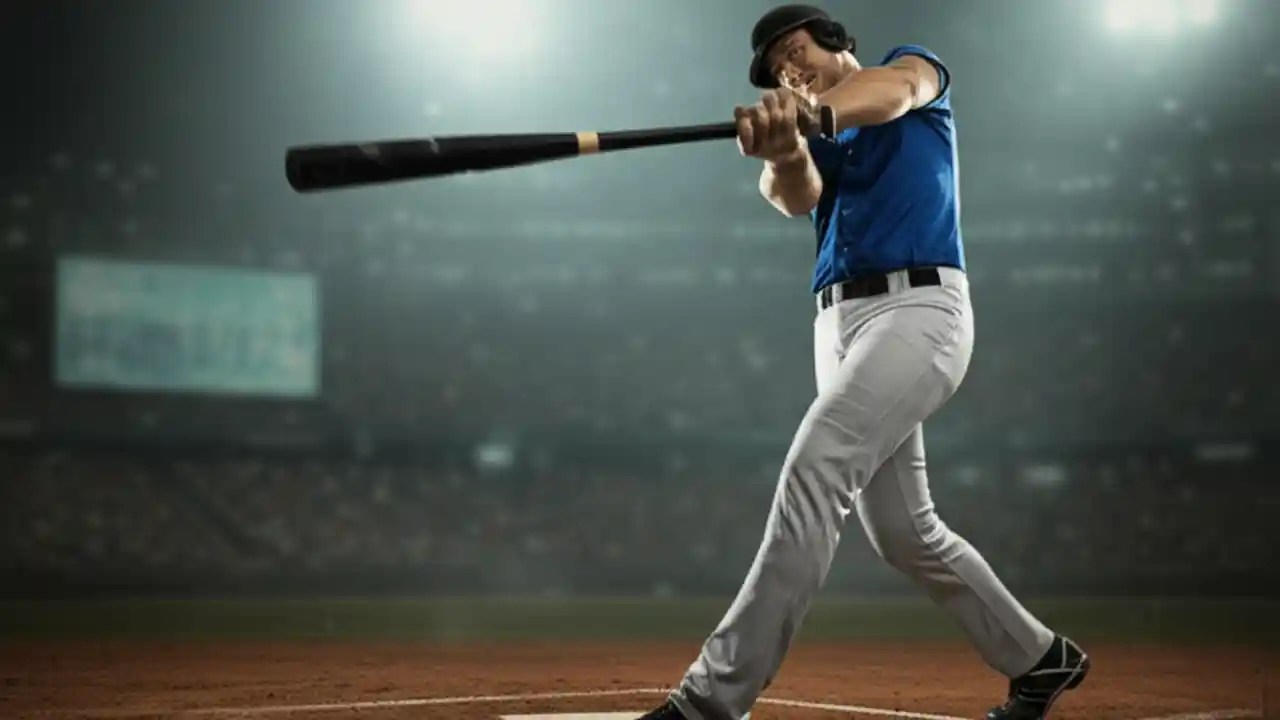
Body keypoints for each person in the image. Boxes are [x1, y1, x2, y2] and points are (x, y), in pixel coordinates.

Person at [637, 6, 1090, 720]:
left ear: (838, 40)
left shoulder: (908, 70)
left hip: (920, 311)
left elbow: (894, 94)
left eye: (796, 50)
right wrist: (786, 146)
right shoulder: (816, 134)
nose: (791, 68)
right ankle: (1041, 657)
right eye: (779, 69)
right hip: (838, 324)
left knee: (816, 468)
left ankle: (710, 701)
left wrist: (810, 115)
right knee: (905, 532)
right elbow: (791, 196)